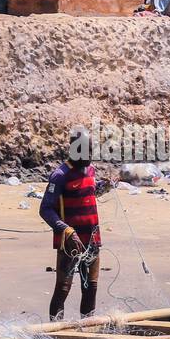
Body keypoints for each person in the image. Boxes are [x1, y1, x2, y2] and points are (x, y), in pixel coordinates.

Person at [40, 128, 103, 320]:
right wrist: (66, 230)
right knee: (63, 288)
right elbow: (45, 209)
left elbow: (89, 193)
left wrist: (103, 187)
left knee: (90, 287)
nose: (90, 156)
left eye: (92, 151)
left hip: (92, 238)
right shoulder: (60, 175)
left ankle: (89, 328)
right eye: (86, 151)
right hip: (70, 242)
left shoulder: (91, 170)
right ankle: (55, 332)